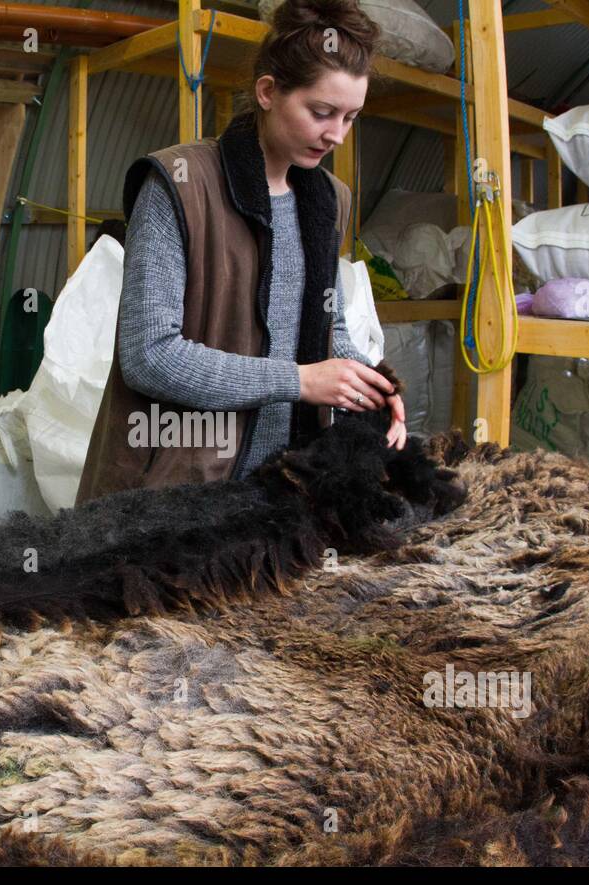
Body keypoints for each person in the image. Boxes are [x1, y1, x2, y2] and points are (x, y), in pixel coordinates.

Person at [76, 0, 405, 506]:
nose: (336, 135)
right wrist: (299, 381)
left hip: (285, 483)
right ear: (268, 92)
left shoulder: (327, 200)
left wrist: (371, 384)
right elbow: (149, 357)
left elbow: (329, 327)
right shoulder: (181, 185)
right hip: (178, 488)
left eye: (351, 117)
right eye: (321, 112)